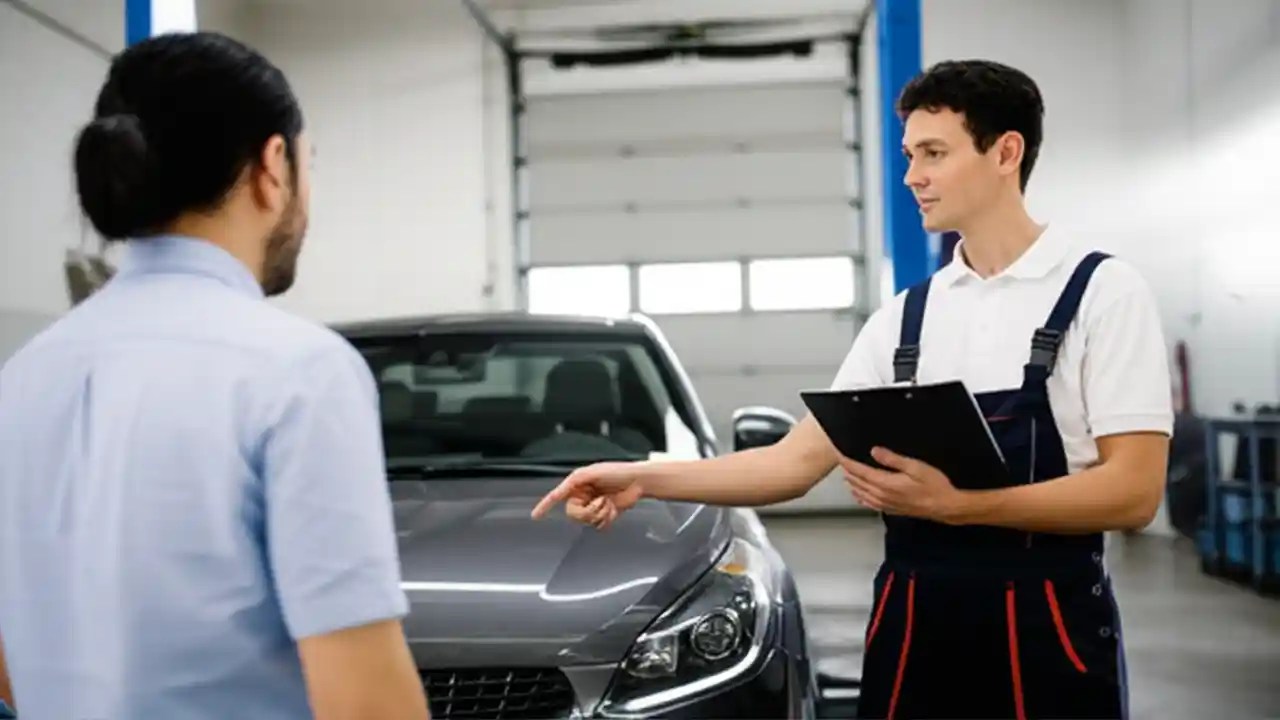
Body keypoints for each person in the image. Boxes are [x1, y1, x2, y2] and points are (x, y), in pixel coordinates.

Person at [532, 59, 1172, 719]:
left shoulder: (1100, 293)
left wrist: (960, 506)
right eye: (908, 155)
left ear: (1006, 152)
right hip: (913, 624)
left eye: (934, 153)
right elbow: (790, 463)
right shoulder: (906, 320)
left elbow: (1134, 491)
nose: (911, 176)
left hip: (1048, 632)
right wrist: (641, 480)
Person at [0, 33, 430, 719]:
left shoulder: (20, 379)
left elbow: (12, 665)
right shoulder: (300, 373)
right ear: (274, 165)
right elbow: (365, 701)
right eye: (308, 164)